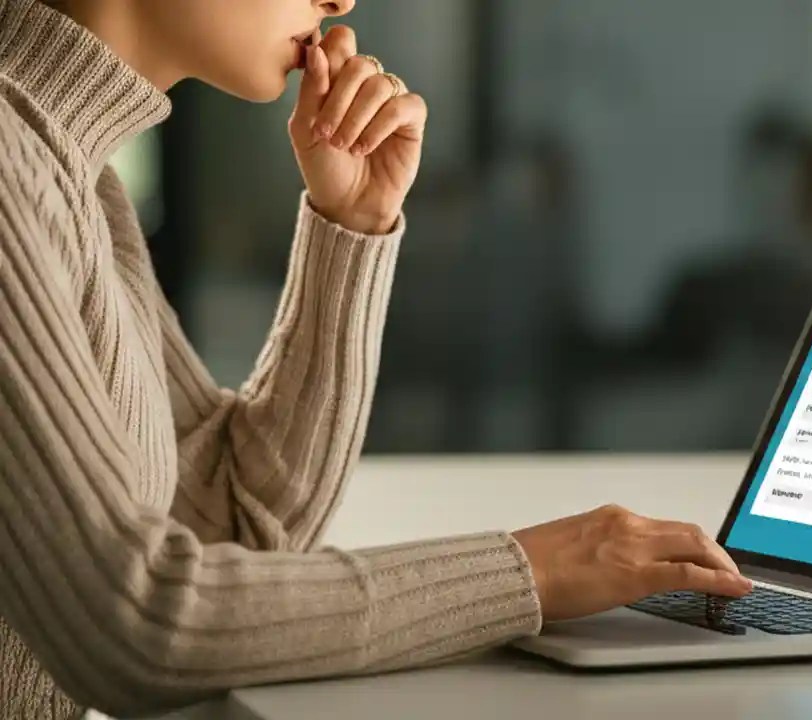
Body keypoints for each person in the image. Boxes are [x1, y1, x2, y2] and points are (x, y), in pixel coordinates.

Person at [0, 1, 752, 718]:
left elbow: (231, 527)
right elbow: (133, 623)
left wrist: (351, 222)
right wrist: (534, 571)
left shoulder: (76, 177)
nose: (338, 0)